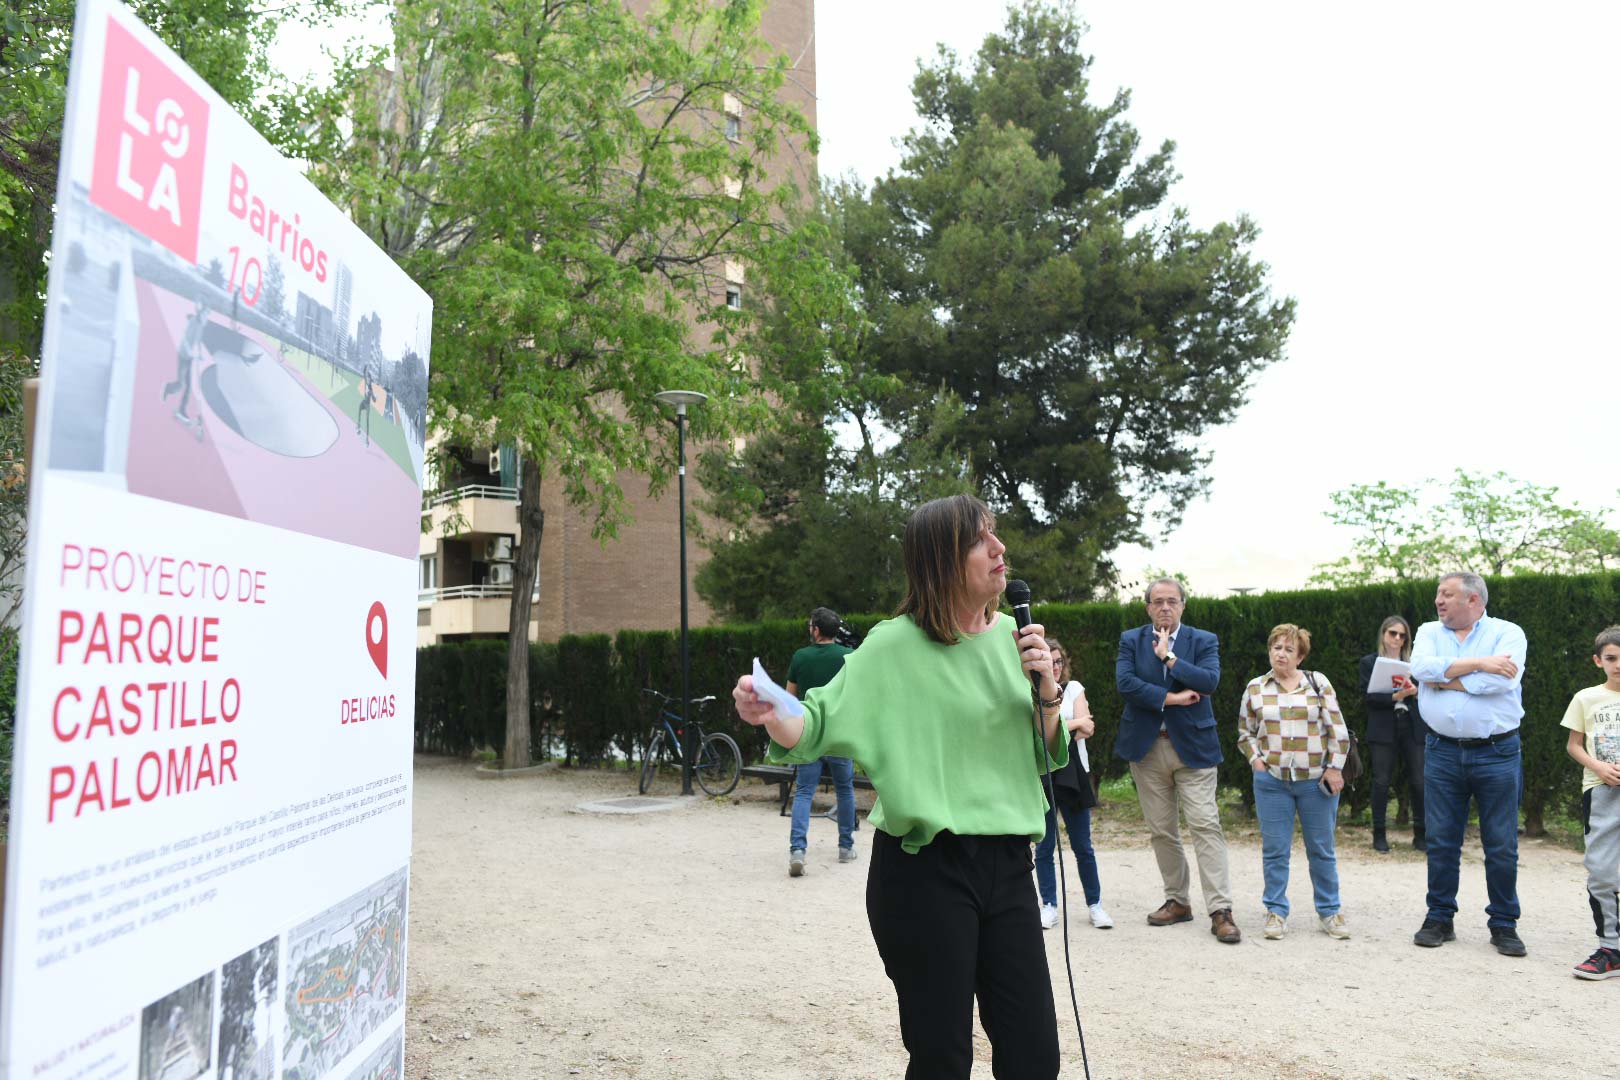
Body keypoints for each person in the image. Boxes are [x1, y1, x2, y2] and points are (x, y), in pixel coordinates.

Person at [733, 494, 1069, 1079]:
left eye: (995, 534)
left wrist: (1047, 693)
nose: (999, 548)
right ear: (942, 559)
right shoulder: (892, 646)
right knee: (941, 1057)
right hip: (925, 873)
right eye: (980, 539)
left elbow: (1046, 748)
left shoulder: (1018, 637)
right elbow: (812, 723)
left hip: (1011, 867)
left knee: (1035, 1057)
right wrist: (769, 707)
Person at [1408, 571, 1528, 956]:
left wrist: (1446, 678)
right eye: (1438, 595)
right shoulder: (1428, 631)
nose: (1438, 601)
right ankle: (1439, 917)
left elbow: (1501, 684)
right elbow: (1420, 670)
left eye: (1446, 594)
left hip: (1497, 753)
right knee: (1441, 841)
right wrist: (1479, 663)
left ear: (1473, 600)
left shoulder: (1510, 633)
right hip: (1442, 751)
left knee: (1501, 844)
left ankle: (1504, 924)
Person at [1114, 577, 1240, 943]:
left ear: (1183, 605)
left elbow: (1209, 680)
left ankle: (1221, 910)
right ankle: (1177, 901)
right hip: (1147, 748)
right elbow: (1126, 685)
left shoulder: (1203, 640)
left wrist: (1169, 657)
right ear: (1148, 607)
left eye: (1172, 601)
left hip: (1194, 749)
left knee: (1205, 826)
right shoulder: (1131, 640)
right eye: (1158, 601)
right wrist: (1171, 699)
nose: (1165, 607)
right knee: (1162, 830)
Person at [1238, 624, 1351, 941]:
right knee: (1275, 851)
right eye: (1276, 647)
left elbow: (1338, 732)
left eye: (1288, 649)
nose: (1281, 653)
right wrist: (1256, 761)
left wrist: (1334, 768)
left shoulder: (1317, 683)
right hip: (1272, 781)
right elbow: (1244, 733)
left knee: (1322, 850)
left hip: (1316, 781)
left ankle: (1329, 911)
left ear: (1300, 655)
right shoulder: (1256, 687)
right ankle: (1276, 911)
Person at [1033, 637, 1112, 930]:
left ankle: (1095, 905)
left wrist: (1061, 727)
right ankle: (1049, 905)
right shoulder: (1033, 692)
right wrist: (1072, 725)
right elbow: (1040, 731)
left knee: (1083, 845)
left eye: (1058, 661)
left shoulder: (1073, 688)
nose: (1054, 667)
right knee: (1044, 846)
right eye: (1049, 661)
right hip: (1043, 774)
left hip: (1074, 774)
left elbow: (1087, 727)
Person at [1560, 625, 1620, 980]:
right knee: (1600, 871)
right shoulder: (1586, 698)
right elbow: (1574, 745)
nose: (1618, 665)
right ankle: (1610, 947)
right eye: (1611, 659)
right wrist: (1599, 766)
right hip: (1600, 791)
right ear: (1598, 661)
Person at [783, 607, 856, 876]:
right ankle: (846, 847)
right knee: (845, 789)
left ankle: (798, 850)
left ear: (815, 629)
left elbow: (790, 697)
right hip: (838, 734)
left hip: (809, 733)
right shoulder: (848, 657)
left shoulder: (800, 657)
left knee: (804, 792)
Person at [1360, 616, 1427, 852]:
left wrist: (1415, 691)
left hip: (1412, 726)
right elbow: (1368, 697)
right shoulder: (1370, 662)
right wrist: (1394, 697)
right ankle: (1379, 835)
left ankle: (1421, 835)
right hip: (1383, 726)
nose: (1397, 639)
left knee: (1419, 782)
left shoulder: (1415, 664)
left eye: (1402, 635)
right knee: (1381, 782)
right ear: (1383, 634)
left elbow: (1427, 694)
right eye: (1393, 633)